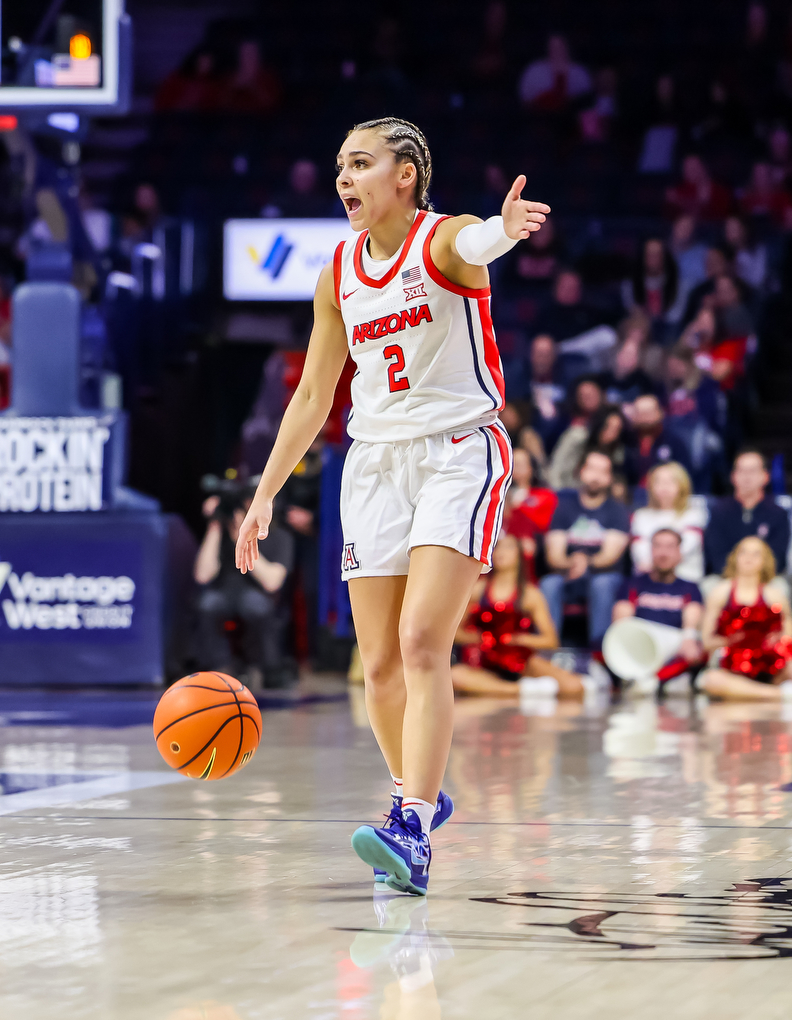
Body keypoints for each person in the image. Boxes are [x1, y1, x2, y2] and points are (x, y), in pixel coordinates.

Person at [235, 117, 550, 895]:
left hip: (457, 451)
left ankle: (409, 827)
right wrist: (263, 493)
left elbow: (474, 246)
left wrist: (503, 234)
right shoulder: (337, 270)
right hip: (372, 463)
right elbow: (313, 394)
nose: (345, 177)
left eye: (362, 163)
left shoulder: (444, 241)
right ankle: (423, 792)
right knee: (375, 665)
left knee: (420, 641)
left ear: (405, 174)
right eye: (340, 164)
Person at [698, 537, 792, 702]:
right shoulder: (720, 593)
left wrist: (775, 641)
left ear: (765, 561)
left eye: (756, 554)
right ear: (735, 558)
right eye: (744, 552)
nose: (749, 558)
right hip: (731, 665)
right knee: (711, 680)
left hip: (771, 663)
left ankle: (757, 693)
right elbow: (706, 641)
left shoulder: (775, 594)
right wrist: (732, 641)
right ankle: (777, 694)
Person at [451, 533, 583, 698]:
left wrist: (516, 639)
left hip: (522, 662)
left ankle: (505, 688)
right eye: (497, 547)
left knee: (574, 686)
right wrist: (483, 638)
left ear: (520, 555)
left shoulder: (530, 594)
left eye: (508, 547)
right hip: (483, 663)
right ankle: (520, 690)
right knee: (454, 676)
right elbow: (455, 632)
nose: (501, 552)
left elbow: (550, 640)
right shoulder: (478, 590)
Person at [197, 491, 293, 689]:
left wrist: (243, 537)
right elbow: (202, 575)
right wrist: (215, 525)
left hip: (256, 591)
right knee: (207, 605)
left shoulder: (281, 536)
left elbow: (272, 582)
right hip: (223, 589)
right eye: (247, 500)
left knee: (255, 606)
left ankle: (262, 667)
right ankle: (218, 668)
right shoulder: (221, 532)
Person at [541, 450, 630, 646]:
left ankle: (598, 652)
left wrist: (585, 562)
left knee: (602, 585)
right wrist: (572, 563)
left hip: (603, 574)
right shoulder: (564, 507)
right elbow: (553, 555)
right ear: (581, 472)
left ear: (609, 478)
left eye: (603, 471)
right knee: (549, 584)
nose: (596, 476)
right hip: (568, 573)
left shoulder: (617, 510)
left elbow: (610, 556)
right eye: (591, 469)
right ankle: (546, 650)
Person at [611, 528, 706, 690]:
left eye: (670, 547)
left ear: (679, 552)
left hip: (673, 648)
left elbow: (692, 623)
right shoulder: (632, 584)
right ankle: (653, 679)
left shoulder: (690, 588)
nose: (663, 553)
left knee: (696, 652)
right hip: (639, 646)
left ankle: (656, 680)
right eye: (658, 546)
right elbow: (621, 625)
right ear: (650, 550)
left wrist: (689, 638)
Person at [706, 449, 791, 575]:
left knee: (781, 589)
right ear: (733, 476)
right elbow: (716, 555)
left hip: (766, 579)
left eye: (753, 471)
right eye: (742, 471)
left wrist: (754, 579)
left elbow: (777, 556)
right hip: (725, 577)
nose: (747, 476)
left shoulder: (778, 513)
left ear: (766, 476)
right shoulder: (719, 511)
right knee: (709, 587)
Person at [629, 462, 706, 582]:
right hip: (647, 582)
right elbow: (640, 552)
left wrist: (658, 564)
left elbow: (685, 549)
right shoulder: (641, 516)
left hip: (686, 580)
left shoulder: (694, 515)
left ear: (682, 485)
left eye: (670, 481)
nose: (664, 486)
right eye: (658, 481)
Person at [622, 394, 690, 487]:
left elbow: (683, 474)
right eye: (640, 413)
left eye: (648, 412)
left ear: (660, 412)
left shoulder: (673, 442)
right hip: (632, 495)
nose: (645, 417)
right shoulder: (627, 440)